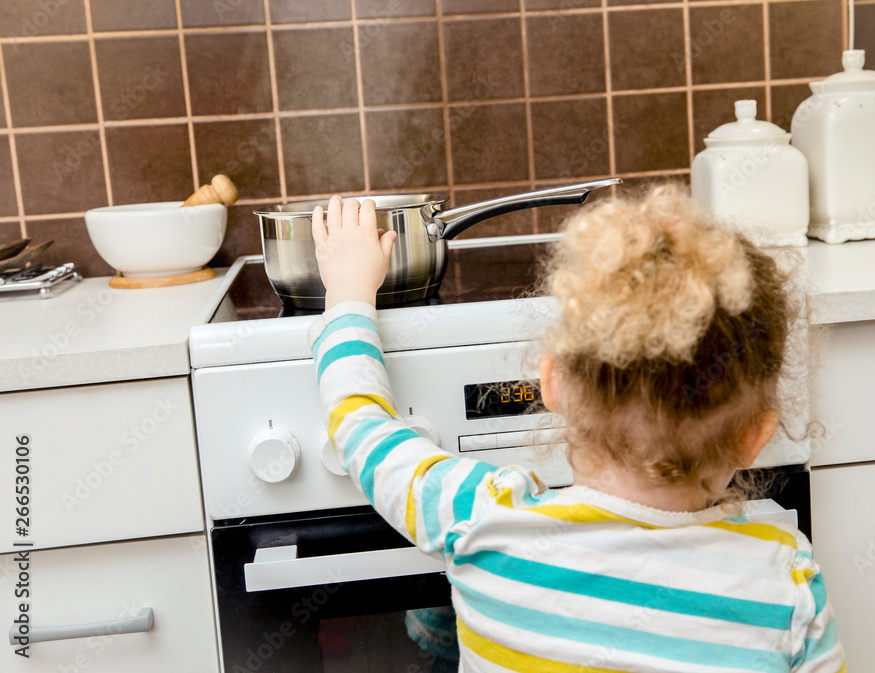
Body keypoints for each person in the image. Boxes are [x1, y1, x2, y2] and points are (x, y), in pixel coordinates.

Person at [309, 185, 846, 672]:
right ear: (755, 435)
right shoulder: (784, 585)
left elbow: (359, 424)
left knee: (431, 619)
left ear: (552, 382)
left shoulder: (475, 516)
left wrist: (349, 294)